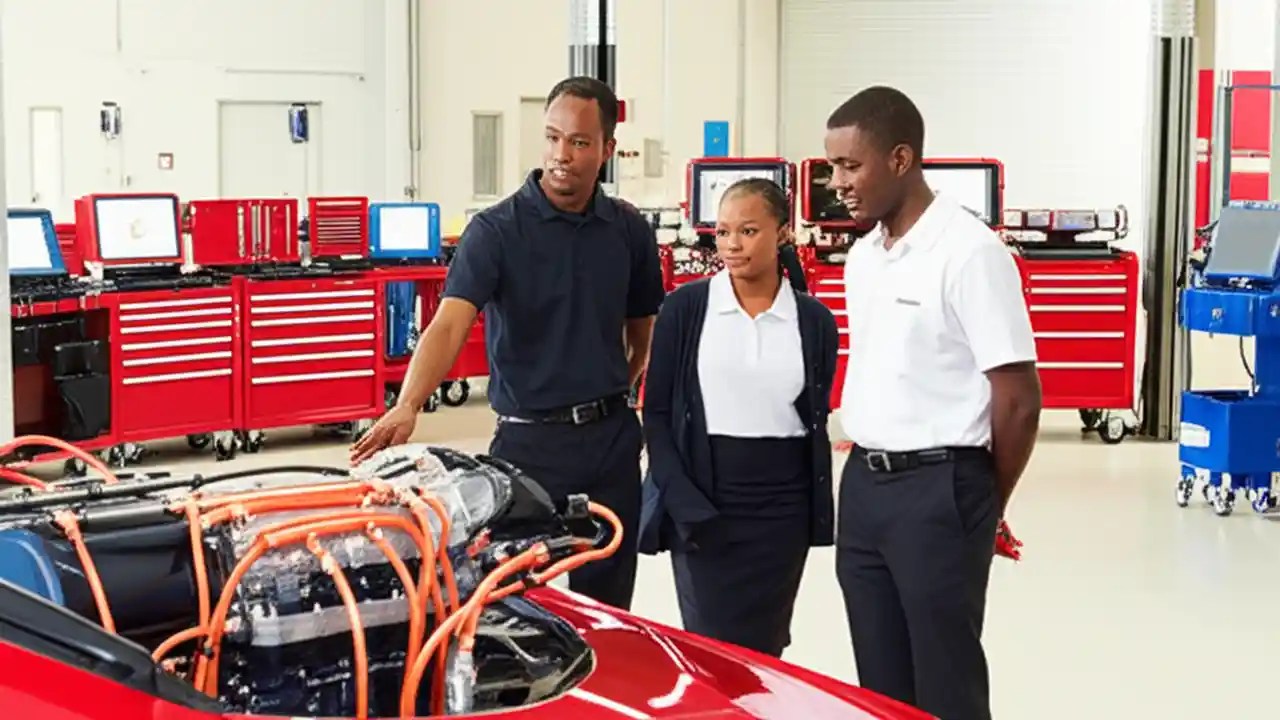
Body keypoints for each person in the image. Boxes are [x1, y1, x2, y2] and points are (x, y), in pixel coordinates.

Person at [350, 76, 666, 611]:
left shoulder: (628, 230)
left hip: (611, 445)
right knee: (521, 605)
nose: (561, 155)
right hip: (529, 447)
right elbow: (448, 324)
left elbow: (643, 328)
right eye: (552, 138)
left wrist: (618, 390)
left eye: (580, 142)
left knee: (611, 607)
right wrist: (407, 404)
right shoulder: (496, 231)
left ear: (607, 149)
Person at [825, 86, 1042, 720]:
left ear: (899, 159)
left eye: (850, 165)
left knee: (946, 682)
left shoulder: (970, 253)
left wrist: (982, 503)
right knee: (879, 683)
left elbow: (1019, 398)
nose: (838, 181)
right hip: (865, 486)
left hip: (941, 490)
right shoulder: (864, 256)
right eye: (832, 165)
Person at [637, 178, 838, 658]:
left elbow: (815, 417)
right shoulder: (686, 309)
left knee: (766, 652)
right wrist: (683, 503)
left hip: (782, 515)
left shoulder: (812, 321)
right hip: (704, 506)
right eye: (723, 231)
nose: (731, 244)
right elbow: (657, 414)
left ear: (782, 234)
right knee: (710, 650)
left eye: (748, 231)